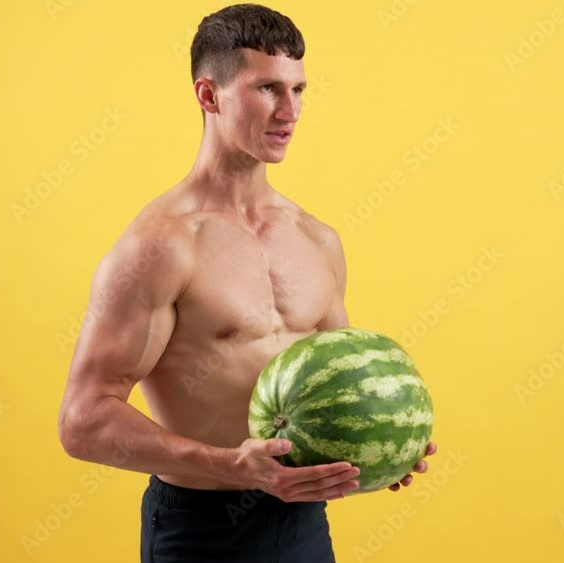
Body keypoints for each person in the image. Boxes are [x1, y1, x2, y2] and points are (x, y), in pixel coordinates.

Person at [57, 4, 436, 562]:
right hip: (201, 530)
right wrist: (233, 465)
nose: (290, 111)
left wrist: (382, 446)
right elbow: (83, 420)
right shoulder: (161, 246)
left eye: (298, 90)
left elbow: (346, 383)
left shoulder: (317, 239)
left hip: (302, 523)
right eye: (268, 89)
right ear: (209, 95)